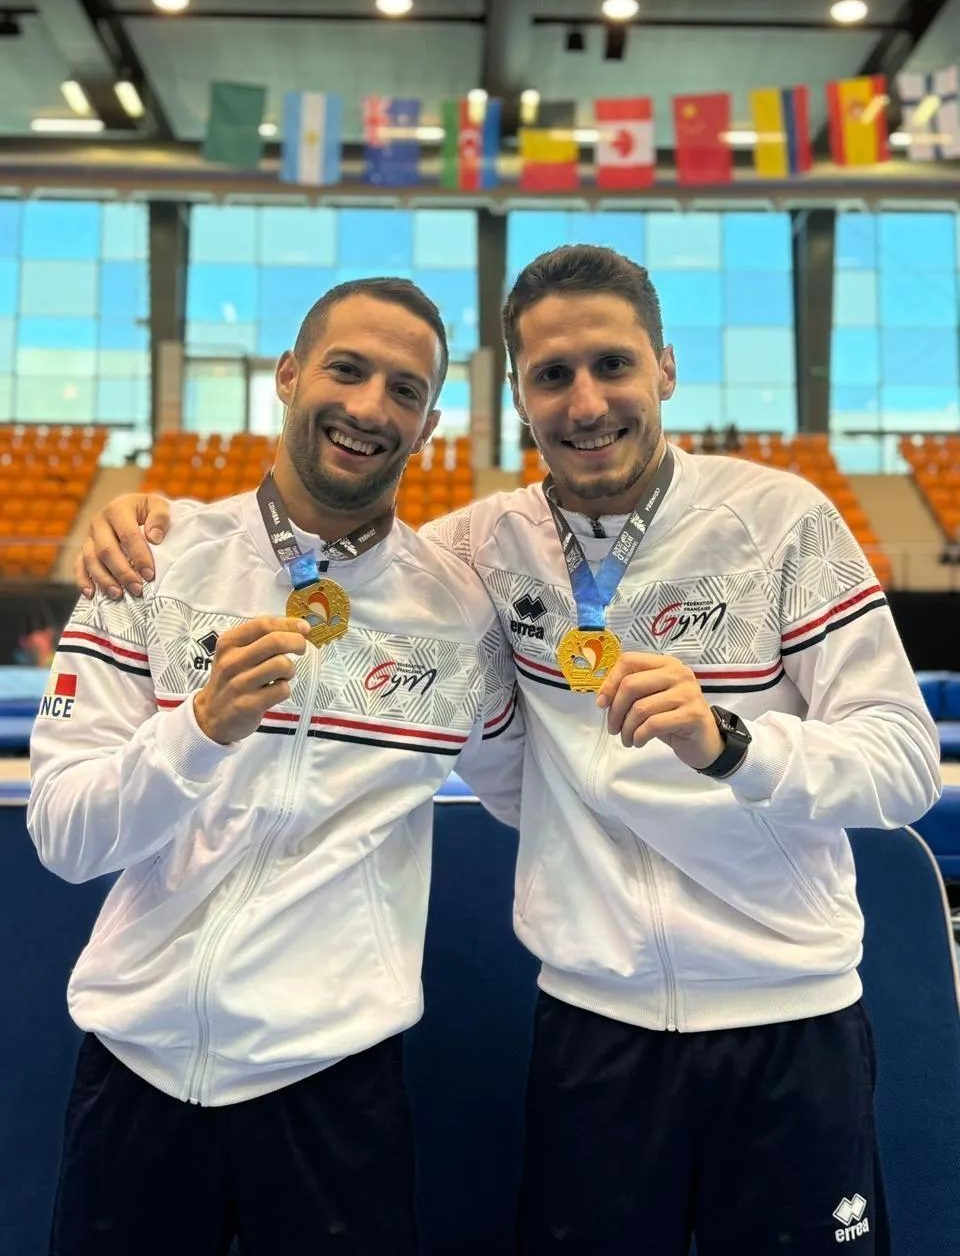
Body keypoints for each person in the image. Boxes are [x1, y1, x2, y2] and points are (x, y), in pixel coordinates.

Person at [82, 244, 941, 1256]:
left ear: (664, 368)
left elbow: (903, 761)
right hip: (595, 1022)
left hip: (791, 1015)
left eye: (612, 365)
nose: (586, 402)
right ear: (519, 399)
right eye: (551, 375)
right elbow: (333, 537)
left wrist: (733, 744)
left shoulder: (782, 520)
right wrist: (150, 520)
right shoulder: (478, 550)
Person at [30, 277, 523, 1256]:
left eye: (405, 389)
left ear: (427, 425)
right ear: (290, 376)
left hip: (333, 1090)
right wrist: (198, 731)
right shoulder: (152, 563)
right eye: (347, 368)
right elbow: (65, 837)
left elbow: (537, 788)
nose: (370, 406)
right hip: (139, 1073)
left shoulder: (460, 614)